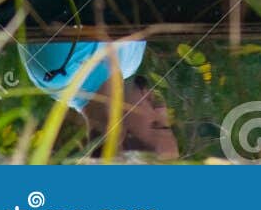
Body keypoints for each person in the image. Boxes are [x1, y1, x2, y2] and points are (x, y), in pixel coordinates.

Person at [18, 38, 179, 159]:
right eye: (168, 125)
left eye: (157, 125)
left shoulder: (59, 67)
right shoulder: (130, 64)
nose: (162, 109)